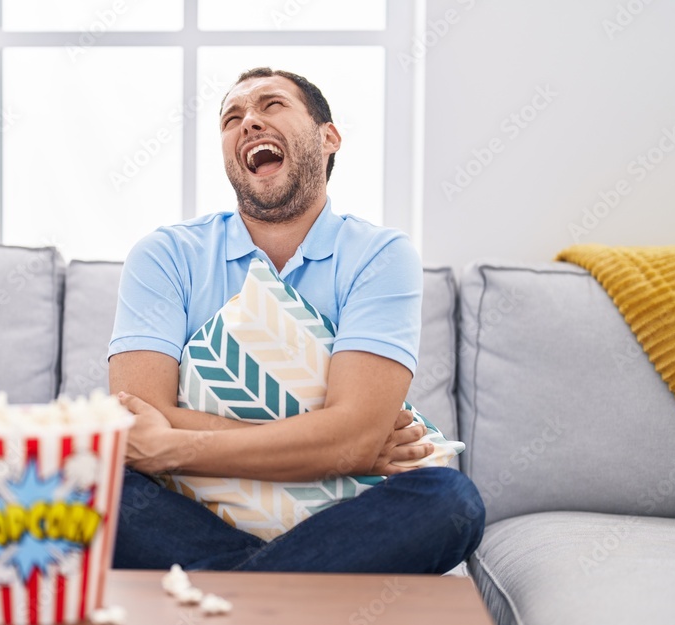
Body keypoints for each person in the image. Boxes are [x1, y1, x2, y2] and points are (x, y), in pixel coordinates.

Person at [107, 67, 485, 573]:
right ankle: (281, 593)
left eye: (272, 105)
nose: (249, 123)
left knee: (451, 501)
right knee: (81, 477)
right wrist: (335, 446)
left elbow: (354, 437)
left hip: (337, 516)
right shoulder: (166, 255)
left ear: (329, 137)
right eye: (232, 117)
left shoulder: (380, 255)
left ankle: (226, 595)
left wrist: (173, 443)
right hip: (190, 509)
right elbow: (136, 421)